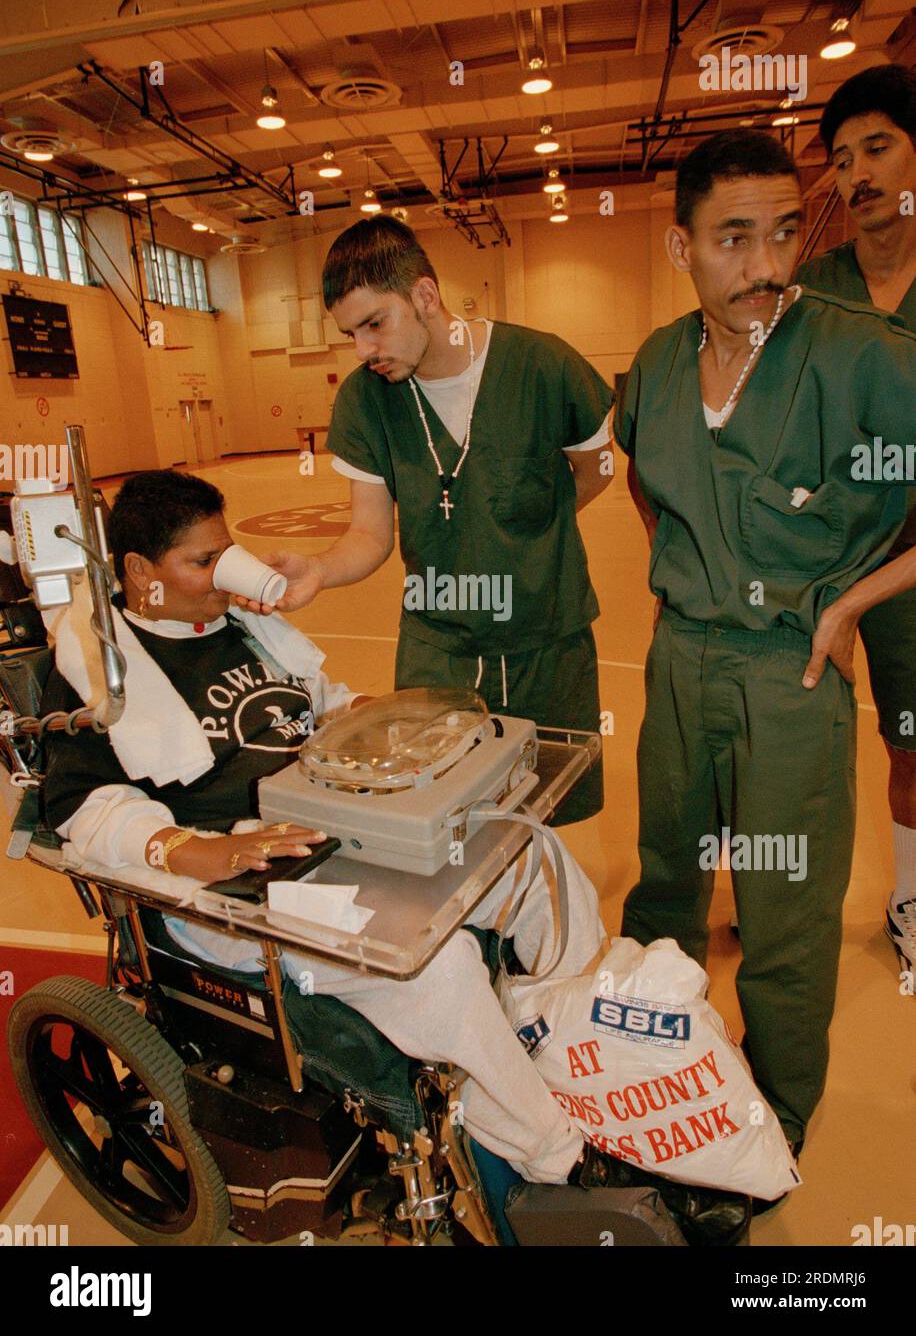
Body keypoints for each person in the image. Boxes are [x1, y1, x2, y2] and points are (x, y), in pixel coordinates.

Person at [37, 469, 619, 1196]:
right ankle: (557, 1154)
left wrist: (367, 715)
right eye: (202, 561)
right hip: (232, 890)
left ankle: (587, 1053)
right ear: (137, 571)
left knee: (536, 858)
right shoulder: (100, 671)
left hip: (335, 828)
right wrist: (193, 849)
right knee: (438, 967)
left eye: (226, 552)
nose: (224, 573)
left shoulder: (242, 626)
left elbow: (315, 703)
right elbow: (81, 808)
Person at [614, 130, 916, 1184]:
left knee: (784, 918)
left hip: (791, 676)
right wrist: (691, 575)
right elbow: (648, 475)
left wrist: (844, 611)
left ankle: (772, 1129)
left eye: (783, 233)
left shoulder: (862, 355)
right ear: (679, 247)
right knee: (663, 888)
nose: (764, 267)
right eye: (732, 239)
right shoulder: (654, 362)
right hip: (680, 663)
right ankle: (657, 1080)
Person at [233, 216, 613, 826]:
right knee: (441, 818)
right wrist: (320, 569)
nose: (363, 350)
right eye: (350, 333)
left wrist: (522, 536)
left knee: (546, 812)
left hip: (549, 635)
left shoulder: (545, 366)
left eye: (374, 324)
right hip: (439, 651)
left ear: (425, 296)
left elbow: (594, 473)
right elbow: (369, 533)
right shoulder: (366, 400)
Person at [795, 64, 916, 980]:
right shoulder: (814, 288)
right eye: (841, 159)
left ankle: (909, 902)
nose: (857, 174)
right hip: (825, 555)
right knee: (789, 743)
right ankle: (778, 904)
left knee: (913, 745)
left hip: (909, 564)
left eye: (877, 147)